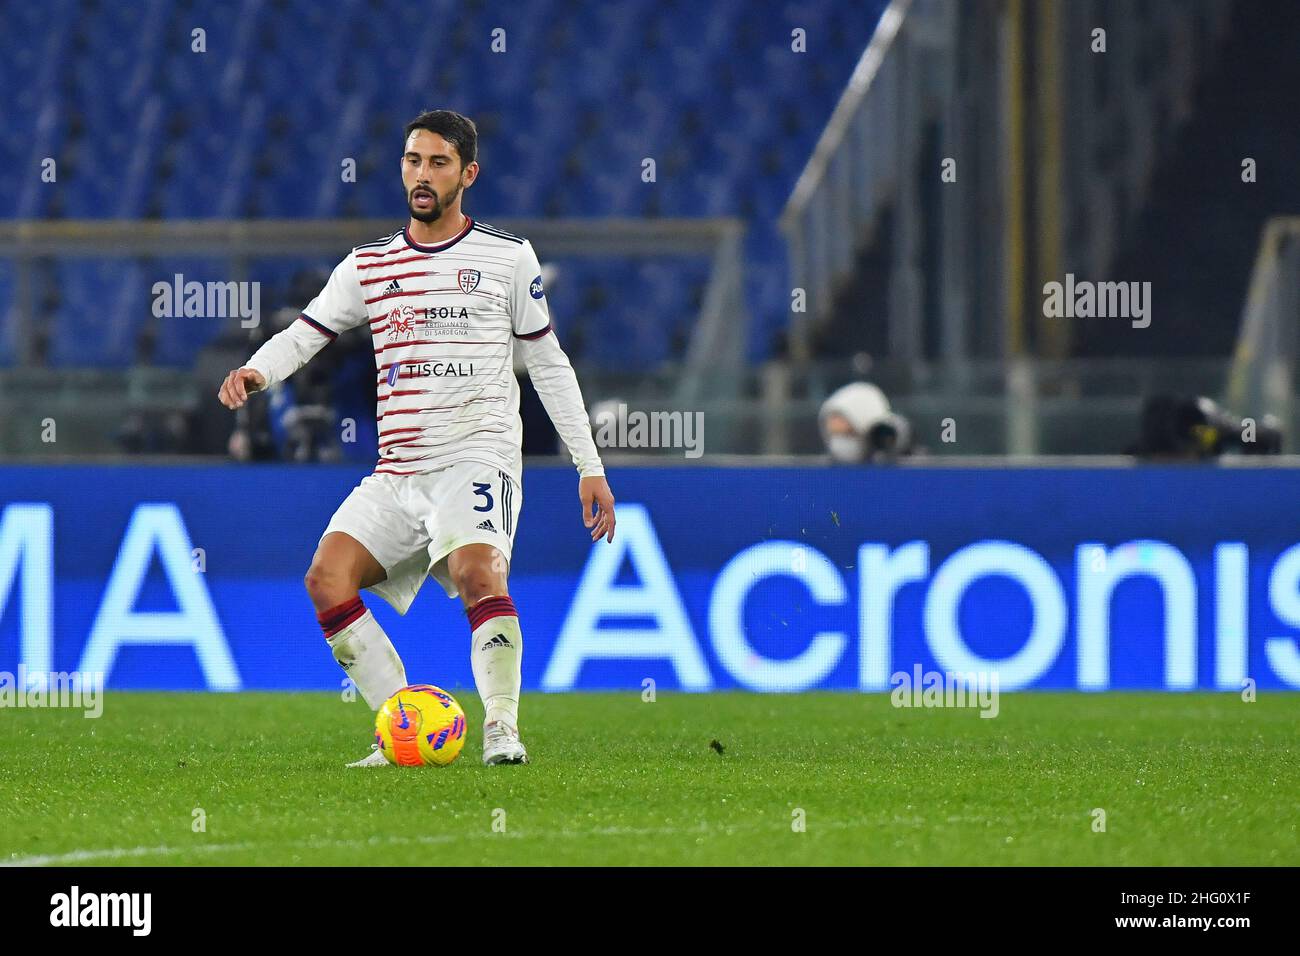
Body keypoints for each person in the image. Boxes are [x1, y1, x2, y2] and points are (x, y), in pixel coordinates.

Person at [217, 110, 616, 766]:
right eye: (412, 161)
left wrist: (588, 465)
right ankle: (398, 724)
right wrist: (258, 370)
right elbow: (306, 333)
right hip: (398, 468)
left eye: (436, 162)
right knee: (326, 580)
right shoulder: (369, 265)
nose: (421, 175)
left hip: (477, 456)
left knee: (478, 574)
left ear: (468, 173)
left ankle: (502, 729)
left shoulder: (507, 258)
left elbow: (547, 362)